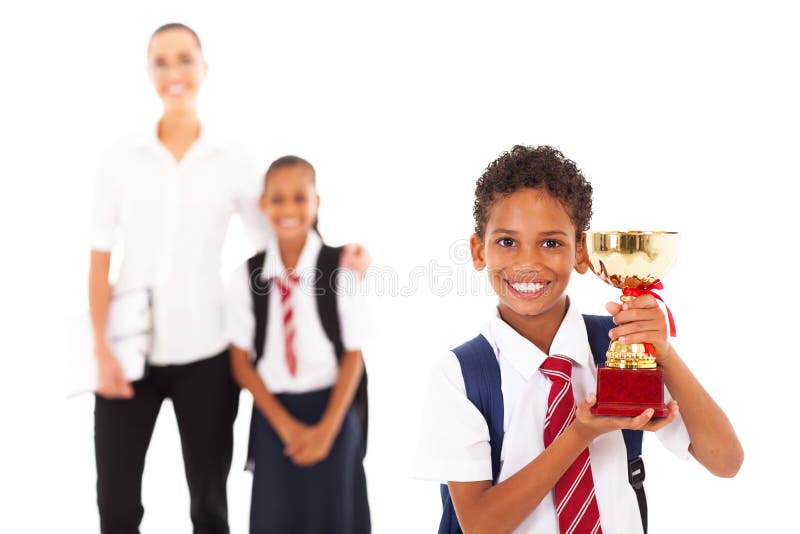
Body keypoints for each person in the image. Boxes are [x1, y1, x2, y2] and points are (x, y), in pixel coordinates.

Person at [88, 24, 370, 534]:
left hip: (207, 356)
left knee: (210, 505)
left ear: (203, 68)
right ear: (148, 71)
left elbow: (279, 235)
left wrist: (340, 255)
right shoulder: (120, 157)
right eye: (161, 61)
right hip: (127, 356)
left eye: (184, 59)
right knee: (117, 504)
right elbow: (98, 259)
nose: (174, 72)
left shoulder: (233, 158)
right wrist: (101, 351)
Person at [414, 145, 743, 533]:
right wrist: (582, 432)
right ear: (478, 250)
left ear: (582, 254)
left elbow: (726, 461)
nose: (528, 262)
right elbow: (481, 525)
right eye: (507, 241)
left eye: (551, 242)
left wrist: (664, 352)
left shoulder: (619, 345)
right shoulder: (460, 375)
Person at [227, 155, 370, 534]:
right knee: (277, 520)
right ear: (263, 206)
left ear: (316, 203)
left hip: (333, 410)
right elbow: (241, 362)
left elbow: (354, 354)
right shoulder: (247, 276)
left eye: (299, 198)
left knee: (334, 518)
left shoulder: (339, 268)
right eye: (277, 199)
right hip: (275, 416)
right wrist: (286, 427)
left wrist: (325, 430)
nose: (288, 209)